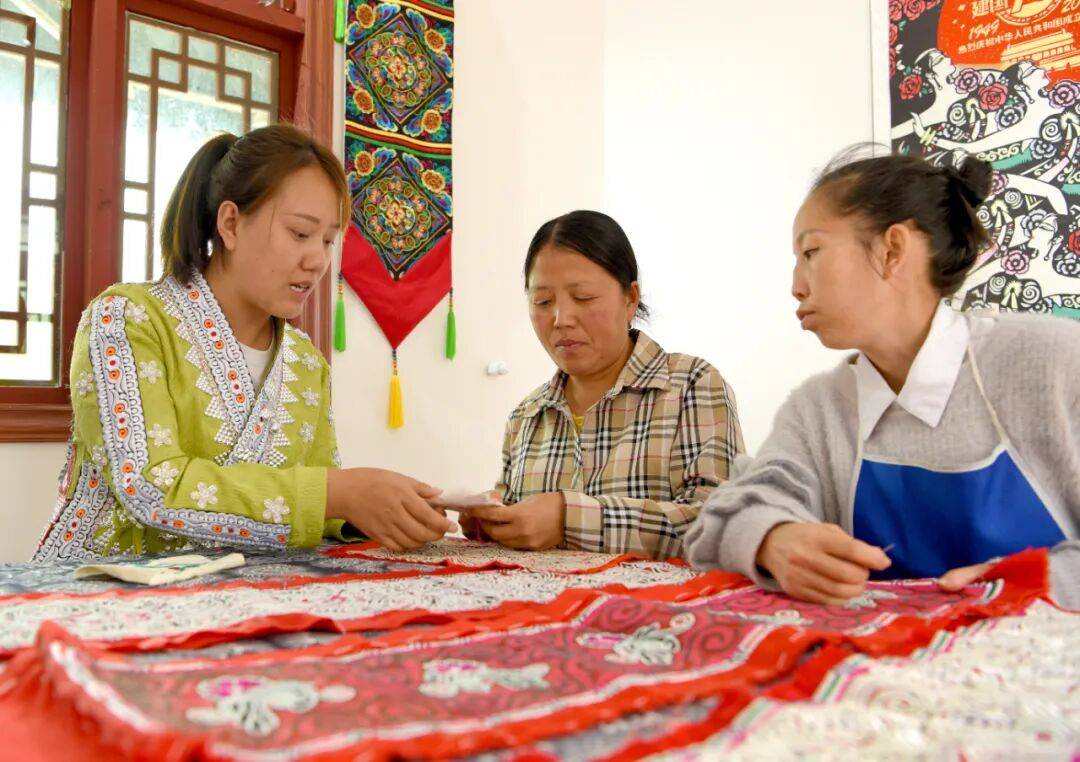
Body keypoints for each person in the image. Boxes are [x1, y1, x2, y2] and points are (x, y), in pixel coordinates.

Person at [34, 124, 453, 562]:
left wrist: (386, 511)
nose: (318, 260)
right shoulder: (126, 319)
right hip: (99, 583)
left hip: (231, 590)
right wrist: (336, 494)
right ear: (230, 223)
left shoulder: (306, 364)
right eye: (300, 233)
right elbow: (149, 487)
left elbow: (320, 505)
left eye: (329, 241)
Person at [685, 149, 1080, 607]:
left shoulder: (1053, 362)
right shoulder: (818, 409)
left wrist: (1035, 581)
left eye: (811, 252)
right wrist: (774, 539)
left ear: (892, 250)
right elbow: (726, 515)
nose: (796, 285)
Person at [465, 210, 745, 558]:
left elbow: (720, 525)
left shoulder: (691, 386)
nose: (561, 319)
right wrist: (491, 520)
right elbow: (518, 525)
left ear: (630, 298)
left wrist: (569, 519)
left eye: (583, 297)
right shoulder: (527, 416)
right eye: (543, 302)